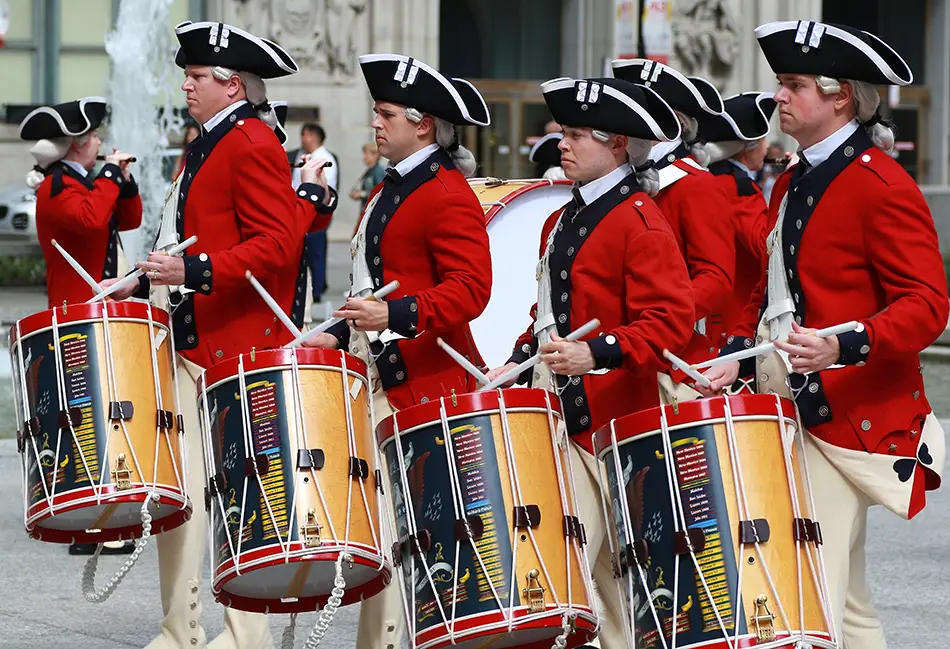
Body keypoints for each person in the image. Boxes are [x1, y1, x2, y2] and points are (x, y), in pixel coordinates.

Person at [700, 20, 948, 649]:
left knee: (809, 592)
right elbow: (774, 293)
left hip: (849, 414)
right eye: (781, 83)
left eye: (794, 84)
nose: (779, 97)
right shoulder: (792, 179)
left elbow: (928, 305)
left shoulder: (881, 185)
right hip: (797, 408)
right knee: (849, 601)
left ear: (840, 96)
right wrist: (740, 359)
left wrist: (846, 342)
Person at [104, 20, 329, 649]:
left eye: (198, 76)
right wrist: (146, 274)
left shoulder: (251, 141)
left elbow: (280, 246)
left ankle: (244, 634)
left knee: (243, 498)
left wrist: (196, 270)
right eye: (188, 74)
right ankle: (180, 627)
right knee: (184, 500)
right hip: (195, 341)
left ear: (232, 85)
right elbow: (191, 230)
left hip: (236, 347)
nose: (186, 84)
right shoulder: (206, 141)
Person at [487, 76, 696, 649]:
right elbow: (550, 312)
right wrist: (515, 359)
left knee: (571, 563)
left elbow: (671, 320)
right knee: (601, 578)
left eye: (577, 134)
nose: (563, 144)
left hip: (613, 421)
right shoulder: (561, 220)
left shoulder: (641, 220)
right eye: (563, 132)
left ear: (618, 145)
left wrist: (597, 351)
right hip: (561, 415)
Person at [303, 51, 492, 648]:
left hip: (427, 386)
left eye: (386, 114)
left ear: (423, 124)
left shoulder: (447, 192)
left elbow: (471, 290)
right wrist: (335, 330)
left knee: (424, 540)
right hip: (383, 379)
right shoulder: (391, 186)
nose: (375, 124)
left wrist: (398, 313)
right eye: (376, 112)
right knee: (383, 534)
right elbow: (372, 283)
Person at [19, 96, 140, 557]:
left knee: (100, 417)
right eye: (94, 138)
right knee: (84, 421)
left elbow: (129, 219)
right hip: (74, 316)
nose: (101, 143)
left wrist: (122, 181)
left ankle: (102, 522)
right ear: (77, 144)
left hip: (95, 313)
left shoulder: (82, 180)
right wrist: (111, 174)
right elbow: (91, 222)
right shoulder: (54, 188)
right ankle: (91, 524)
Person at [611, 59, 736, 396]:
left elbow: (715, 278)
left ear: (672, 124)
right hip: (619, 354)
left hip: (674, 360)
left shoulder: (695, 185)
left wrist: (653, 320)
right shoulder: (620, 182)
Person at [700, 91, 777, 345]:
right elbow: (765, 245)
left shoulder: (719, 180)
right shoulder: (736, 188)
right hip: (735, 312)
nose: (766, 148)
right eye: (763, 140)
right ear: (747, 148)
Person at [289, 123, 338, 305]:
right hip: (300, 208)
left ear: (312, 136)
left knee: (316, 254)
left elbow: (326, 191)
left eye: (304, 134)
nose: (302, 139)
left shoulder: (324, 158)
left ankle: (317, 290)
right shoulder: (306, 156)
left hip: (313, 212)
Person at [349, 142, 386, 213]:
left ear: (375, 155)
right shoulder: (369, 171)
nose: (364, 157)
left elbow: (381, 192)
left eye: (366, 154)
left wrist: (362, 194)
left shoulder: (378, 171)